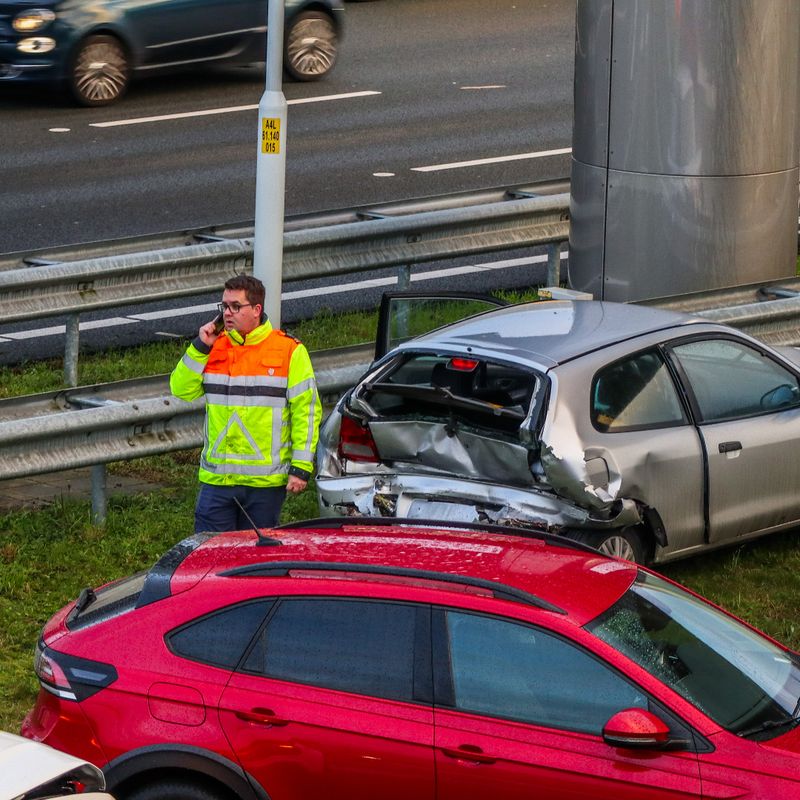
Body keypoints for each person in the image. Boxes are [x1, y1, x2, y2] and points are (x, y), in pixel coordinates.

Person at [170, 275, 321, 533]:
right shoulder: (212, 347)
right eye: (224, 306)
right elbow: (181, 390)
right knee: (212, 560)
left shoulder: (289, 350)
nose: (227, 313)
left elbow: (305, 412)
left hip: (264, 484)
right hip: (218, 479)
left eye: (235, 307)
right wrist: (199, 347)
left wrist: (301, 467)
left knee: (252, 561)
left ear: (256, 310)